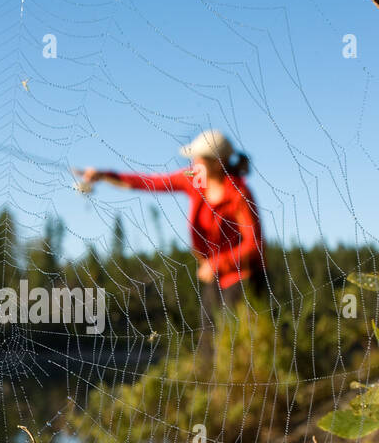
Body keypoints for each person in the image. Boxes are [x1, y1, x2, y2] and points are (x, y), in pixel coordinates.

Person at [74, 130, 266, 317]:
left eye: (199, 159)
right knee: (207, 341)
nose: (193, 164)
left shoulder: (239, 195)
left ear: (218, 162)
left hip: (243, 277)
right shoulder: (194, 180)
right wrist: (103, 175)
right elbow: (150, 182)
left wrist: (217, 264)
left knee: (236, 341)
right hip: (214, 276)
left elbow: (254, 245)